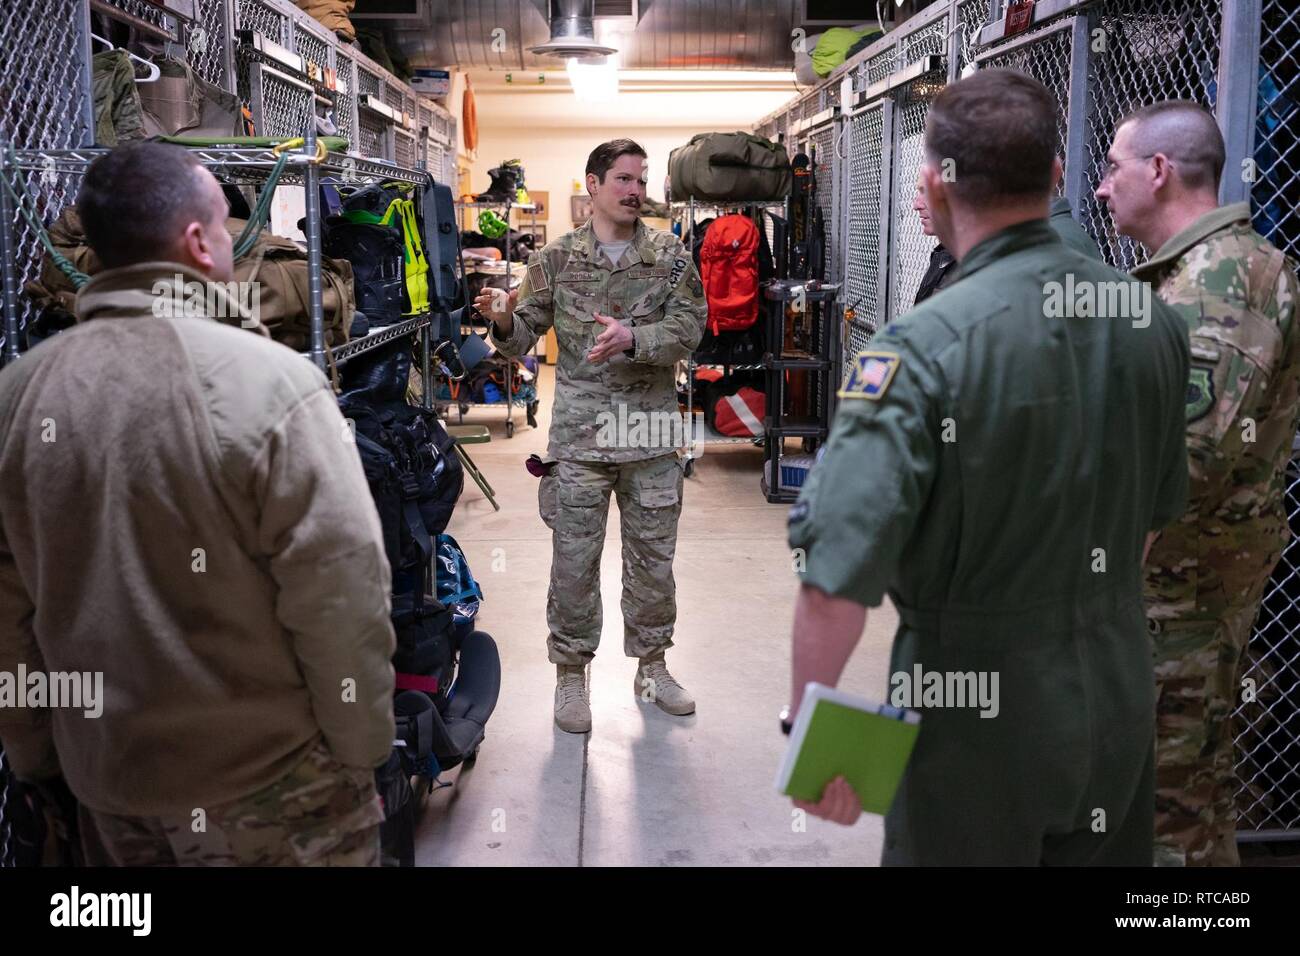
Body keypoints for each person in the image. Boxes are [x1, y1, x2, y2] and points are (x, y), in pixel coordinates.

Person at [784, 70, 1191, 865]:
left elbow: (835, 573)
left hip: (975, 711)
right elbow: (1147, 522)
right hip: (1116, 689)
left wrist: (812, 733)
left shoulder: (921, 351)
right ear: (1051, 176)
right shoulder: (1149, 319)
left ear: (934, 184)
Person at [0, 142, 396, 866]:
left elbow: (9, 607)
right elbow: (340, 592)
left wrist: (35, 753)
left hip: (109, 784)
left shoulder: (21, 395)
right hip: (272, 785)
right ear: (195, 244)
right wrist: (361, 747)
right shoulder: (274, 385)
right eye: (223, 227)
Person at [1096, 100, 1300, 866]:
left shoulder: (1218, 284)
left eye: (1114, 168)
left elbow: (1179, 466)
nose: (1103, 187)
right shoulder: (1202, 274)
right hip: (1183, 588)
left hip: (1176, 596)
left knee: (1167, 814)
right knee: (1185, 801)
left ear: (1159, 170)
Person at [474, 139, 707, 734]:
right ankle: (571, 675)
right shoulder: (555, 260)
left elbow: (691, 328)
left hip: (650, 434)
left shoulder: (671, 255)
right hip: (580, 438)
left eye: (641, 179)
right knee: (574, 562)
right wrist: (503, 317)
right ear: (593, 185)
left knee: (654, 562)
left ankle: (652, 668)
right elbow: (524, 332)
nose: (634, 190)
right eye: (624, 179)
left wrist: (636, 338)